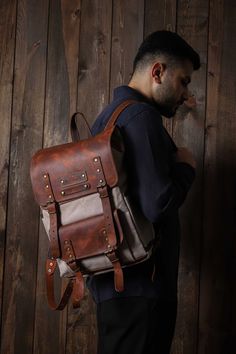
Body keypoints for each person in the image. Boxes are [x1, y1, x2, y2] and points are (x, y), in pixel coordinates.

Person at [87, 30, 200, 354]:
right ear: (157, 72)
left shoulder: (109, 117)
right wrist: (185, 167)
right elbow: (158, 204)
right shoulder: (142, 116)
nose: (184, 93)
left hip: (114, 287)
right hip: (142, 291)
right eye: (183, 81)